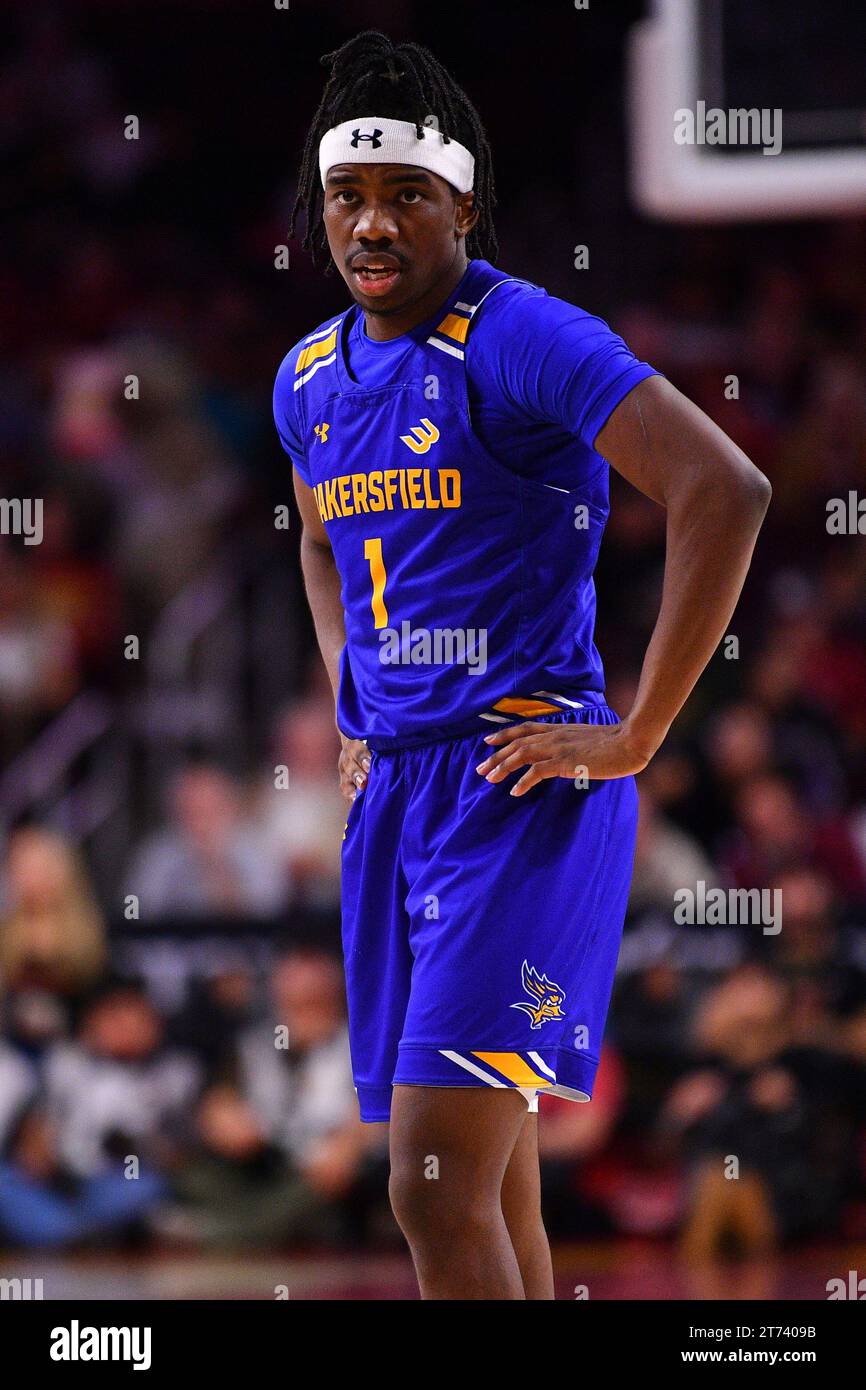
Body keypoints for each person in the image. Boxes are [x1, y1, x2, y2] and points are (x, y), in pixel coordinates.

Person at [273, 31, 771, 1299]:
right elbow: (321, 545)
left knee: (426, 1177)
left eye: (405, 197)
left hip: (521, 785)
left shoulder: (517, 334)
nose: (371, 225)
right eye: (348, 197)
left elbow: (723, 487)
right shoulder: (309, 376)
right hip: (398, 792)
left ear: (464, 204)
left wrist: (640, 732)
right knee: (492, 1185)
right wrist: (353, 695)